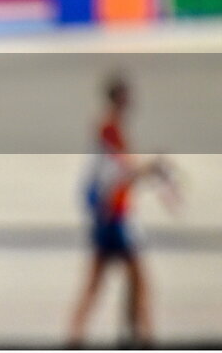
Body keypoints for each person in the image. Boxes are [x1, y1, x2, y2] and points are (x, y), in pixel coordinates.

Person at [67, 76, 176, 348]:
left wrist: (149, 171)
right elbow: (119, 173)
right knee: (137, 282)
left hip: (110, 216)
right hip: (115, 217)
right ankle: (143, 339)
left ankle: (80, 338)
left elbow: (119, 172)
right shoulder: (111, 129)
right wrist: (153, 168)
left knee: (103, 284)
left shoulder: (110, 128)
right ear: (119, 99)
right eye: (127, 96)